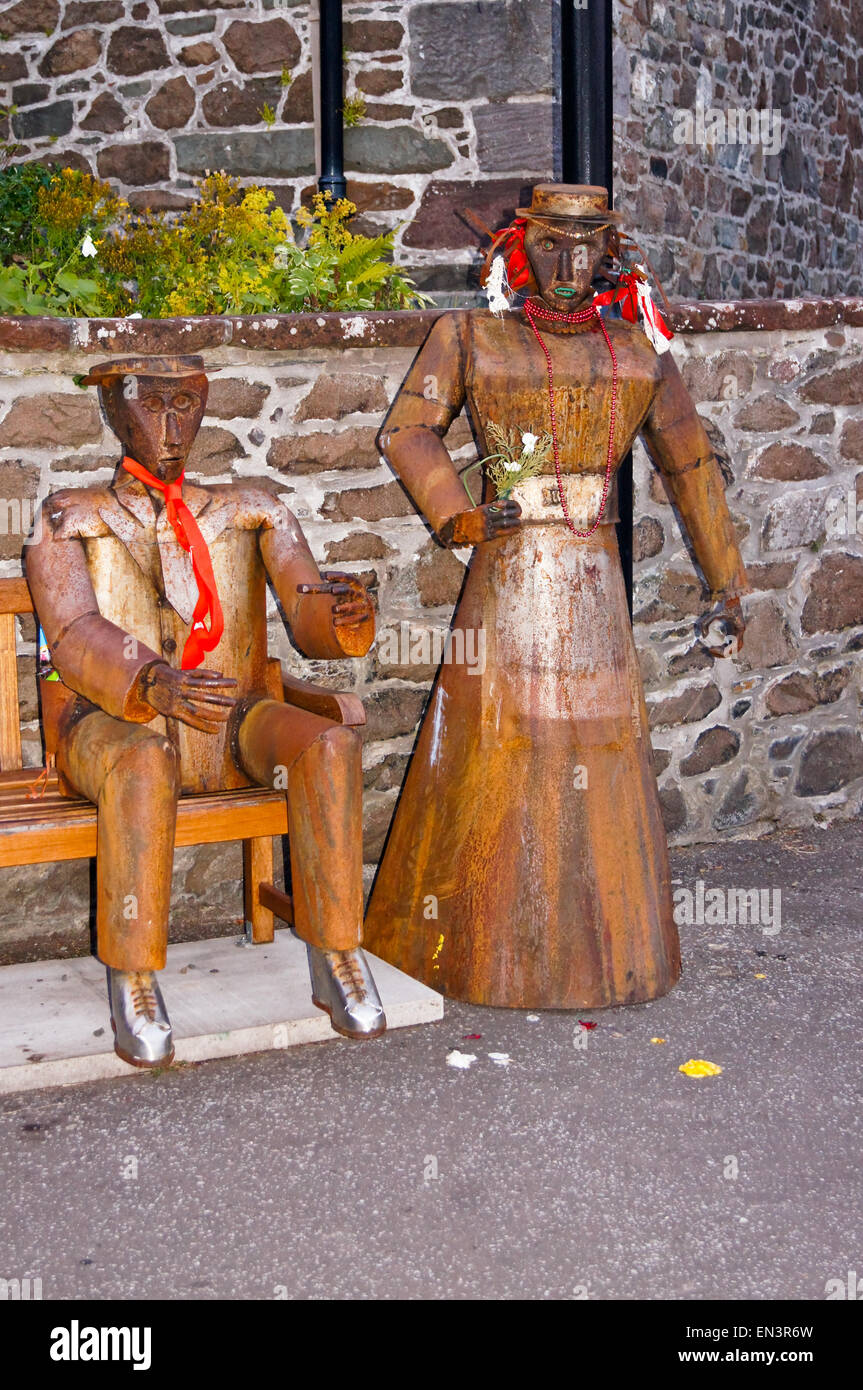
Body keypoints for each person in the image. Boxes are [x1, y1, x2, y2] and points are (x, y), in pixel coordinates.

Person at [362, 184, 748, 1010]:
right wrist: (457, 514)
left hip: (592, 579)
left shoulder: (638, 355)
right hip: (506, 570)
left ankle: (607, 948)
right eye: (550, 245)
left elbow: (688, 466)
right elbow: (406, 429)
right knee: (495, 746)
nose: (568, 264)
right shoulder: (470, 337)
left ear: (611, 254)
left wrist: (728, 582)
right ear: (519, 247)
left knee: (598, 752)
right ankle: (476, 943)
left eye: (586, 247)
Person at [26, 354, 386, 1067]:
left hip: (232, 719)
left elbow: (308, 615)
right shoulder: (69, 517)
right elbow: (69, 634)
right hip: (108, 724)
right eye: (151, 404)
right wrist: (150, 679)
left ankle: (336, 952)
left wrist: (341, 607)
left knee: (329, 746)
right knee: (143, 758)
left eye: (184, 405)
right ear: (113, 412)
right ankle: (134, 976)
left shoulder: (255, 507)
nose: (169, 423)